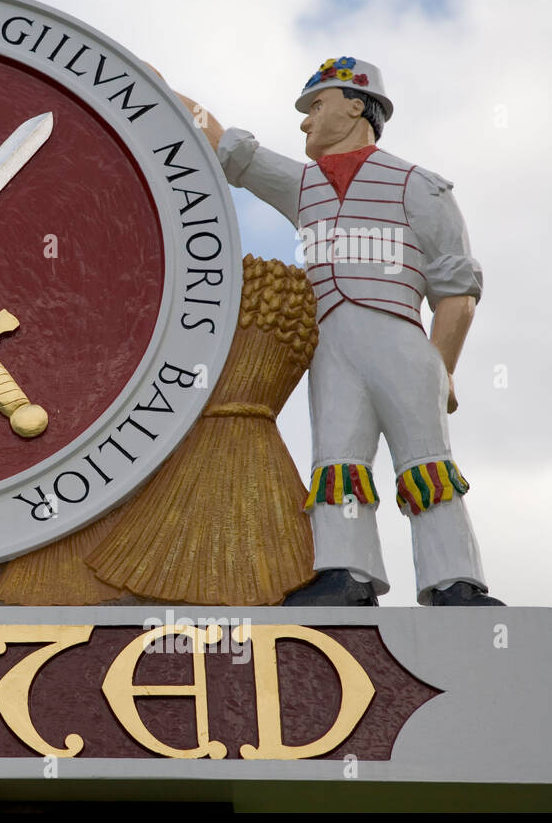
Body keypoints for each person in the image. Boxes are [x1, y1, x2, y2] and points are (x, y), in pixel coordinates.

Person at [167, 56, 500, 606]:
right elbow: (232, 152)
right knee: (336, 463)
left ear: (354, 105)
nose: (304, 121)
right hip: (331, 345)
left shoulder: (419, 186)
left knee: (426, 463)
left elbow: (456, 288)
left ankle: (454, 580)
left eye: (315, 106)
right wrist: (158, 88)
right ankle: (346, 572)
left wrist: (442, 367)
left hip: (399, 338)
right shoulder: (304, 185)